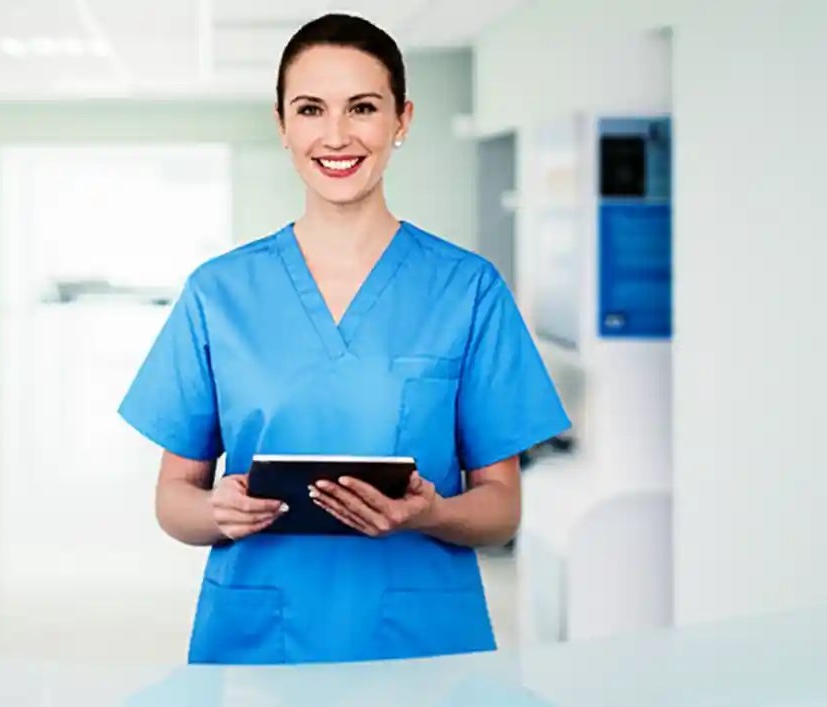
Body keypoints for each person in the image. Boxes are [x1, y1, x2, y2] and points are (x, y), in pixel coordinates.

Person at [117, 13, 570, 665]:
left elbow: (502, 508)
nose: (336, 135)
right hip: (258, 645)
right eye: (310, 109)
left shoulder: (467, 289)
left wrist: (431, 515)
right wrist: (218, 512)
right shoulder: (219, 293)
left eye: (362, 107)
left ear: (401, 120)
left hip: (423, 646)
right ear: (282, 125)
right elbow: (173, 500)